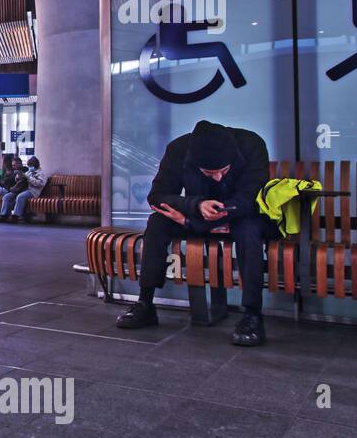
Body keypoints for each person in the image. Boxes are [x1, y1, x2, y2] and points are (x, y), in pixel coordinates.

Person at [116, 120, 270, 347]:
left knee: (250, 228)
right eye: (210, 173)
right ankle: (145, 303)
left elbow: (249, 200)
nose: (217, 177)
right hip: (197, 214)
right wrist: (196, 206)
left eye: (224, 171)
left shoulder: (252, 144)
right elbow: (157, 196)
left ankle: (252, 315)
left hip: (239, 215)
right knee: (158, 222)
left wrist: (190, 221)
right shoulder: (178, 149)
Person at [0, 156, 45, 222]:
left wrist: (28, 178)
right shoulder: (29, 172)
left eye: (31, 165)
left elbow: (39, 184)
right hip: (24, 190)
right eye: (29, 165)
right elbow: (20, 179)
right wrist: (18, 177)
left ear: (35, 165)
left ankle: (15, 216)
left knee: (20, 196)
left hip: (33, 191)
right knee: (6, 197)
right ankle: (4, 215)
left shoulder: (41, 173)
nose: (30, 167)